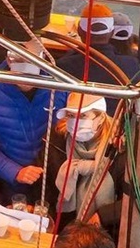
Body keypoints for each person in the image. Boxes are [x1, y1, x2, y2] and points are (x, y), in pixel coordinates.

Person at [0, 38, 67, 202]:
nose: (26, 82)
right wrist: (14, 171)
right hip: (9, 182)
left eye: (31, 67)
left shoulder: (61, 86)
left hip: (55, 178)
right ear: (8, 60)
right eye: (20, 69)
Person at [51, 92, 125, 227]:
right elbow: (47, 186)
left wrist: (103, 216)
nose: (75, 122)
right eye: (71, 115)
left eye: (83, 116)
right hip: (64, 229)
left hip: (106, 232)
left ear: (101, 118)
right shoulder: (57, 140)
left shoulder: (119, 148)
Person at [57, 3, 140, 114]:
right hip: (115, 123)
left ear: (79, 31)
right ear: (111, 32)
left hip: (75, 121)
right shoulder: (132, 64)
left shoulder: (63, 66)